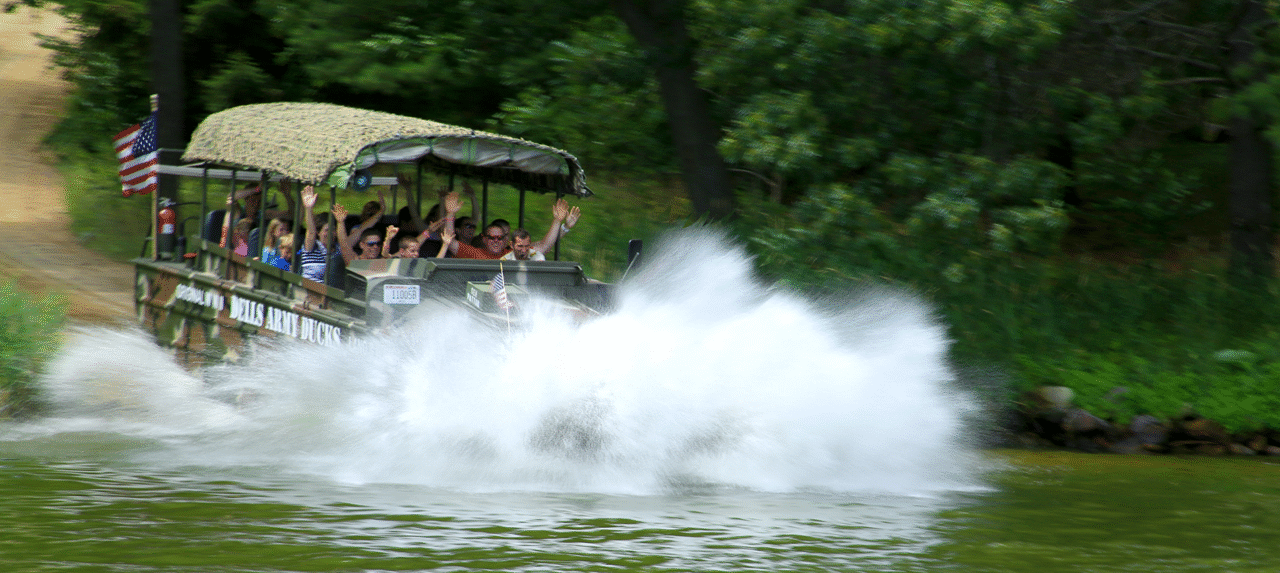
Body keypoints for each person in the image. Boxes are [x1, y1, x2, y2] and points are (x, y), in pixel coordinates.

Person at [442, 191, 577, 260]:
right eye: (492, 237)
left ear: (506, 241)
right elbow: (451, 242)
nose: (496, 241)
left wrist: (558, 221)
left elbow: (545, 246)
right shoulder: (474, 253)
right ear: (484, 239)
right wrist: (449, 214)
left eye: (500, 238)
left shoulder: (513, 253)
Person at [500, 207, 580, 261]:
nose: (524, 250)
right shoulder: (504, 259)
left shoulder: (534, 255)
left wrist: (563, 225)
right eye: (493, 237)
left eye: (526, 246)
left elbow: (545, 245)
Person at [299, 185, 330, 282]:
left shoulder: (336, 249)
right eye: (327, 230)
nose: (330, 233)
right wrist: (308, 208)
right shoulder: (312, 247)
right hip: (310, 292)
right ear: (318, 232)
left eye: (333, 230)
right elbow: (311, 233)